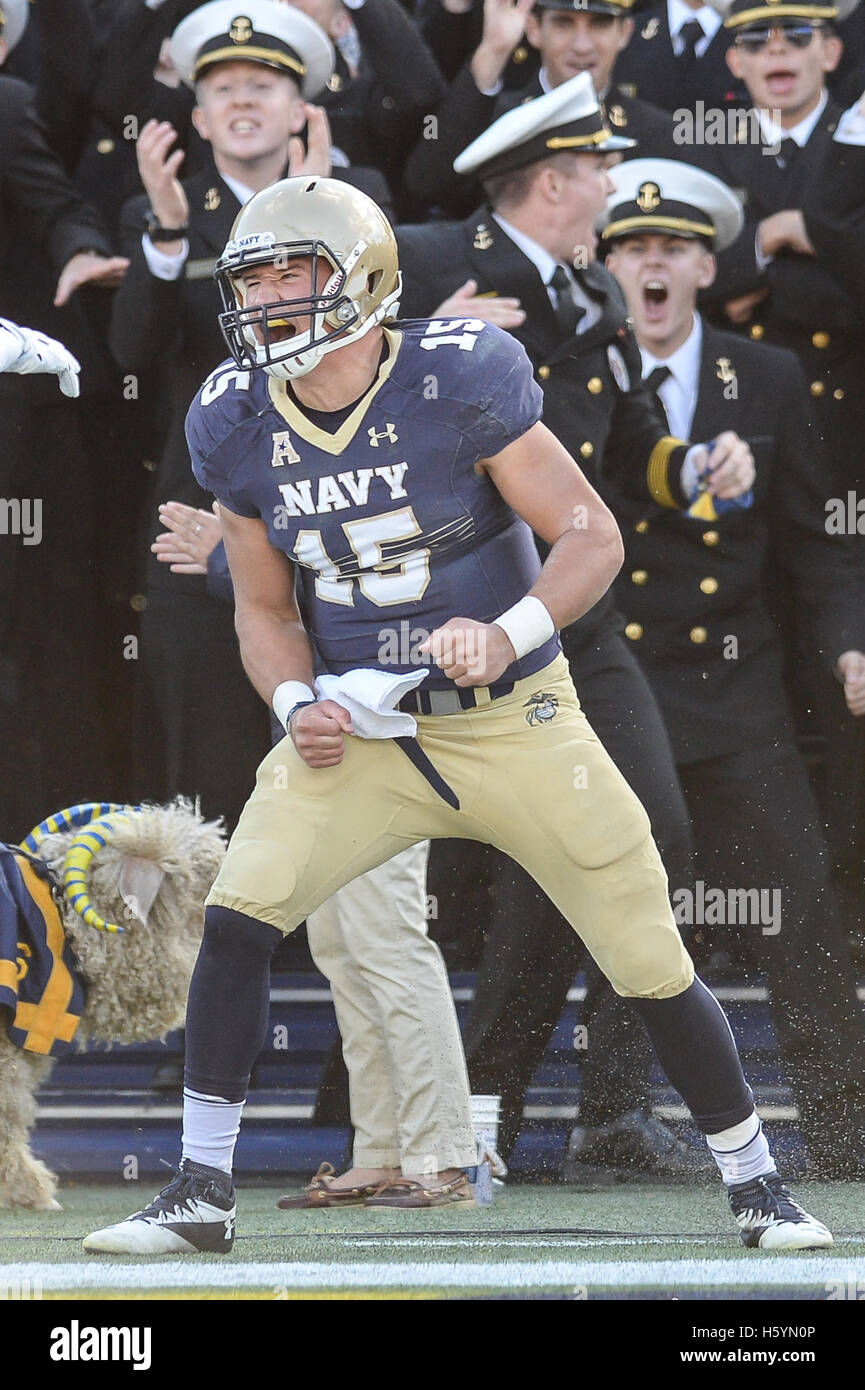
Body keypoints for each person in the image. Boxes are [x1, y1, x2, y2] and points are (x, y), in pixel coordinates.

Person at [83, 181, 830, 1255]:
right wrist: (296, 703)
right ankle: (200, 1192)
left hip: (511, 715)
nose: (268, 300)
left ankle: (758, 1187)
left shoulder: (454, 375)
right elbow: (259, 605)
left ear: (364, 278)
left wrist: (510, 627)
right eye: (254, 280)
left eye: (293, 273)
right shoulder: (234, 415)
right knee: (241, 918)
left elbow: (590, 535)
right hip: (369, 731)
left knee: (644, 950)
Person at [396, 75, 752, 1177]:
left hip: (570, 615)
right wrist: (413, 348)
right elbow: (300, 386)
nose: (610, 188)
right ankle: (486, 1118)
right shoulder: (421, 260)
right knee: (540, 866)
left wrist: (690, 464)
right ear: (551, 182)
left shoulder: (589, 296)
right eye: (598, 173)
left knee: (654, 833)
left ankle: (609, 1112)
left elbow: (623, 436)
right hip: (464, 620)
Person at [598, 158, 865, 1178]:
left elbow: (817, 542)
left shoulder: (767, 377)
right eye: (631, 247)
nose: (652, 263)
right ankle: (597, 1125)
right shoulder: (580, 372)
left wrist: (847, 640)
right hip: (613, 681)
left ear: (706, 266)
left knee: (797, 906)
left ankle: (845, 1134)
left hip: (735, 687)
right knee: (605, 903)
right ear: (608, 266)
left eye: (672, 248)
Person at [109, 0, 392, 828]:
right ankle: (217, 948)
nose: (242, 100)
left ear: (300, 106)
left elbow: (381, 331)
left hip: (341, 490)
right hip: (206, 501)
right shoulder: (164, 204)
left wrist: (328, 205)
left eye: (263, 84)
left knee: (346, 738)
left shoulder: (356, 194)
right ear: (196, 114)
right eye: (223, 86)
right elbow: (131, 351)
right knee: (209, 742)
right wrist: (162, 231)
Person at [152, 499, 479, 1207]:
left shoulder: (362, 438)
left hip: (380, 720)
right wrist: (231, 560)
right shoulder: (296, 441)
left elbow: (358, 582)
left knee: (386, 939)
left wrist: (226, 560)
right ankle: (383, 1149)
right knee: (344, 946)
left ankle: (445, 1156)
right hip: (322, 726)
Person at [403, 0, 697, 220]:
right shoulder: (498, 119)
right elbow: (426, 184)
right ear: (533, 29)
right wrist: (494, 50)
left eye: (599, 24)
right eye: (564, 23)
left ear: (625, 32)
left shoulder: (659, 132)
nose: (582, 46)